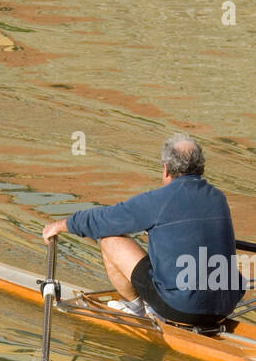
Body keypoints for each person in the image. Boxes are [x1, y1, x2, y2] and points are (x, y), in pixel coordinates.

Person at [41, 134, 244, 328]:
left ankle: (135, 309)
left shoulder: (159, 200)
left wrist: (61, 225)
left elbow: (104, 220)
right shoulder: (218, 198)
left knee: (109, 239)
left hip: (182, 308)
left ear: (166, 169)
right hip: (225, 306)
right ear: (200, 168)